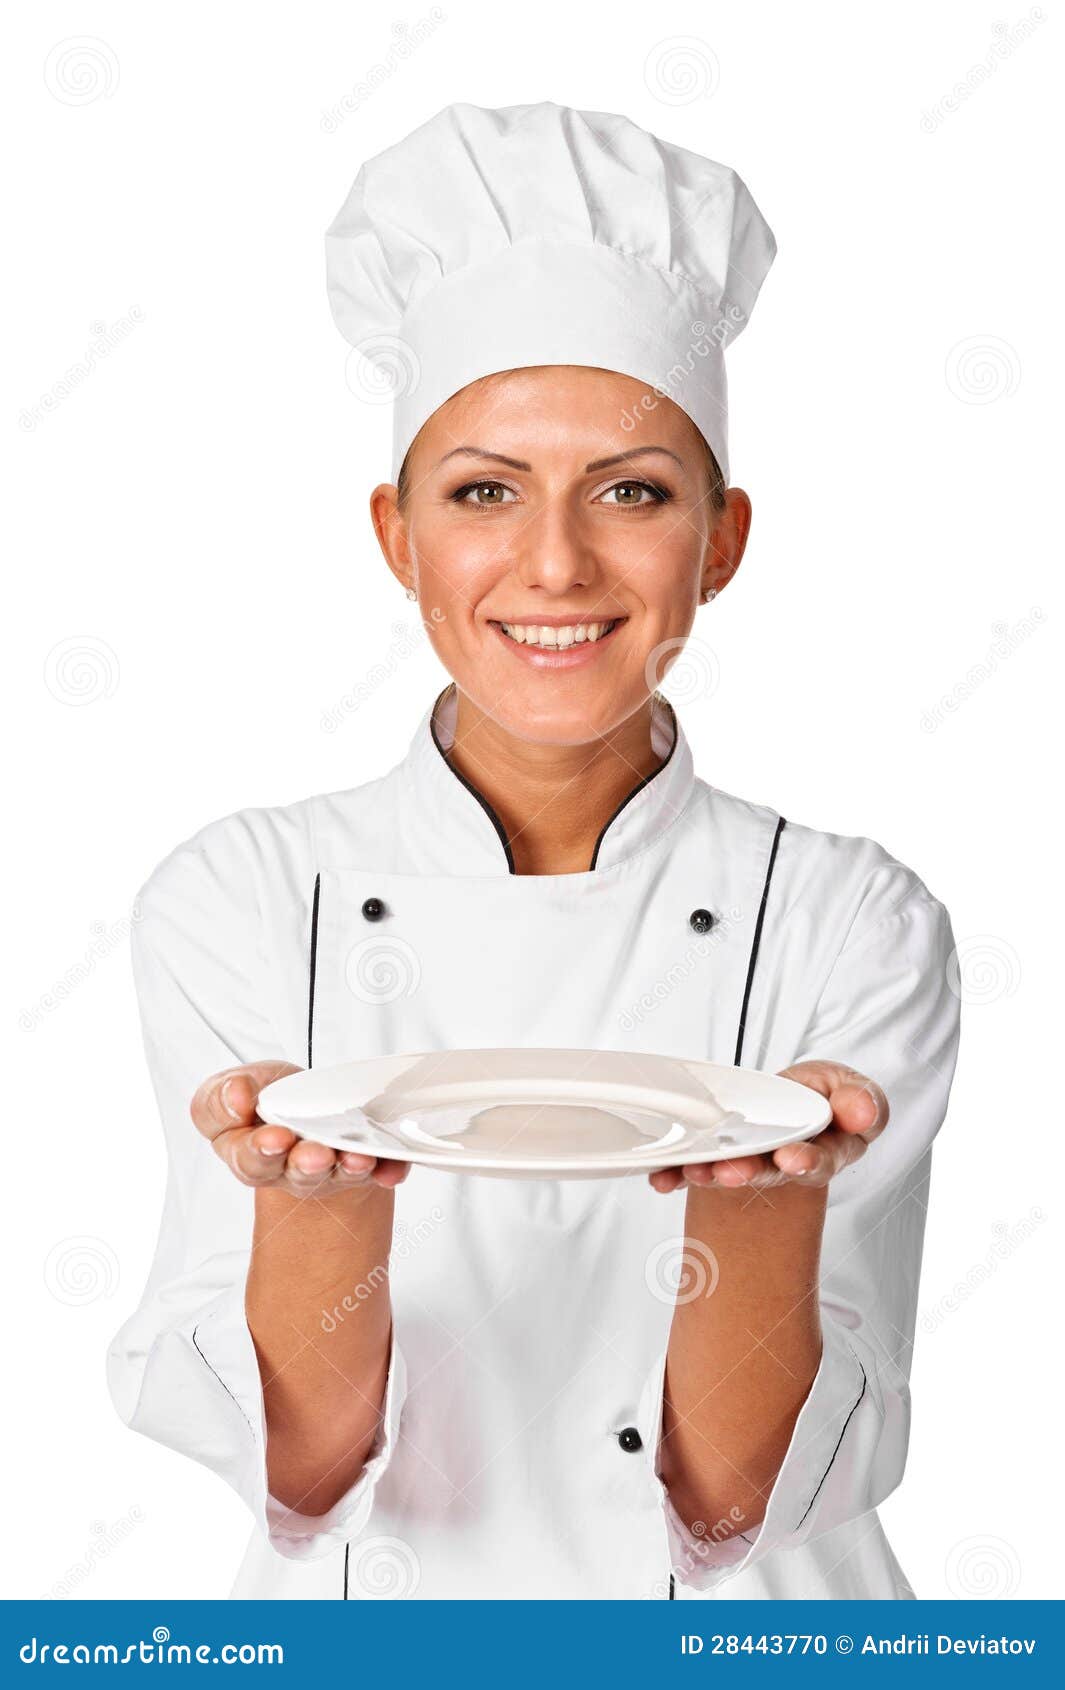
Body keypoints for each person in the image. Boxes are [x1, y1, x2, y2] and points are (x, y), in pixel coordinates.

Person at [108, 101, 960, 1601]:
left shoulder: (847, 918)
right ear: (396, 534)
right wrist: (318, 1203)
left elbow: (738, 1489)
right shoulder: (243, 898)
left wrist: (757, 1202)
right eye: (482, 491)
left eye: (631, 490)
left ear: (721, 538)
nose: (554, 564)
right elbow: (301, 1475)